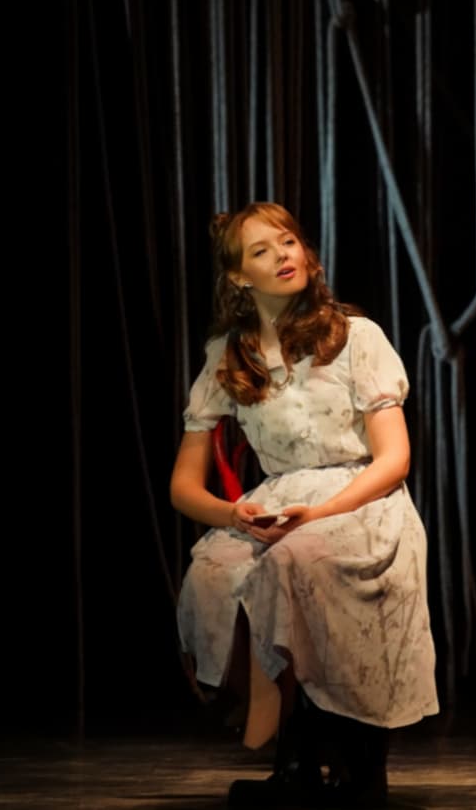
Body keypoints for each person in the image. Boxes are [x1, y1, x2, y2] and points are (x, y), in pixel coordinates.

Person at [170, 202, 438, 808]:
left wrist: (317, 515)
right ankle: (290, 753)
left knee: (298, 562)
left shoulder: (355, 337)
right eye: (260, 251)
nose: (282, 256)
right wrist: (233, 515)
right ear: (239, 276)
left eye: (287, 241)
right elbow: (184, 486)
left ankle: (352, 763)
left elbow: (394, 459)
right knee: (214, 573)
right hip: (278, 501)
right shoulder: (227, 354)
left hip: (361, 500)